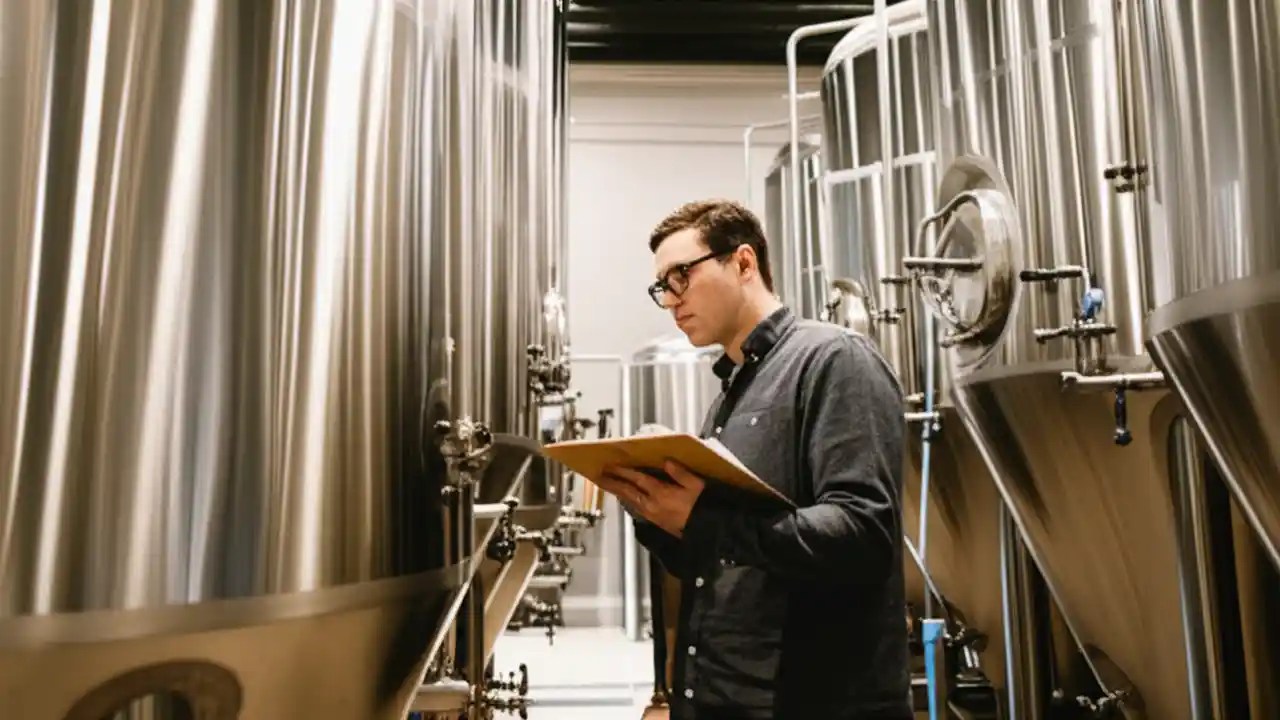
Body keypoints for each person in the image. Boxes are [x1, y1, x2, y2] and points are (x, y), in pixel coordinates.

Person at [594, 199, 912, 719]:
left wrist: (703, 519)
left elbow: (863, 533)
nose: (671, 300)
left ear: (743, 263)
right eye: (661, 287)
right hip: (721, 697)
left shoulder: (835, 360)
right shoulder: (729, 396)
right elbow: (716, 561)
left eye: (682, 276)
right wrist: (651, 509)